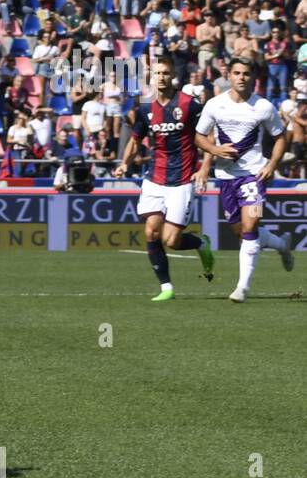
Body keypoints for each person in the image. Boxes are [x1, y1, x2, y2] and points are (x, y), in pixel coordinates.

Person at [113, 55, 215, 301]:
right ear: (151, 77)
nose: (161, 77)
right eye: (157, 73)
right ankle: (166, 287)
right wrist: (123, 164)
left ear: (173, 77)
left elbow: (208, 138)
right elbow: (135, 142)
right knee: (151, 232)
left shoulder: (189, 104)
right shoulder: (146, 109)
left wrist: (204, 168)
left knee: (171, 240)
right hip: (154, 179)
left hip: (181, 180)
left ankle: (201, 243)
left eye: (165, 73)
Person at [195, 58, 294, 302]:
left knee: (250, 226)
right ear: (229, 75)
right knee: (242, 232)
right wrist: (214, 152)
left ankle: (243, 288)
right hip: (227, 178)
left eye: (246, 73)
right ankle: (281, 244)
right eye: (237, 72)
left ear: (253, 77)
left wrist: (272, 164)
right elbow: (199, 137)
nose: (241, 77)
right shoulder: (215, 105)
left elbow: (281, 137)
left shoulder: (264, 106)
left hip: (255, 176)